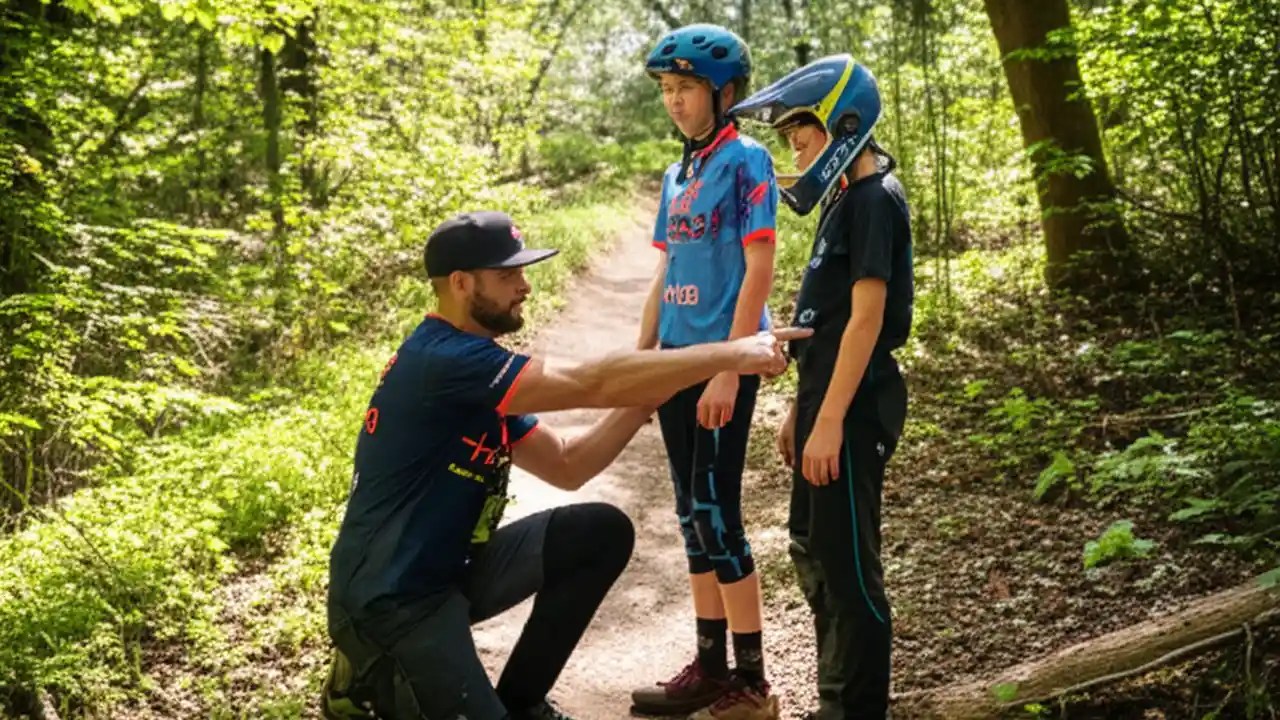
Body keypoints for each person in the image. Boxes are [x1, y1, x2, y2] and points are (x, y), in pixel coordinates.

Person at [319, 209, 807, 720]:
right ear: (460, 284)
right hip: (393, 600)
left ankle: (520, 703)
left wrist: (665, 384)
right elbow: (591, 382)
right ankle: (368, 676)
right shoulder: (446, 362)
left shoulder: (474, 368)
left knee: (597, 532)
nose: (525, 287)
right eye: (508, 276)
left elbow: (568, 465)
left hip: (446, 576)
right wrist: (728, 353)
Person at [730, 55, 914, 720]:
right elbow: (829, 322)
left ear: (844, 126)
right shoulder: (841, 201)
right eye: (789, 141)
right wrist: (799, 413)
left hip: (856, 408)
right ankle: (836, 702)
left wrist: (832, 419)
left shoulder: (873, 200)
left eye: (803, 137)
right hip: (822, 403)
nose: (796, 150)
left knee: (852, 573)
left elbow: (867, 320)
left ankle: (858, 710)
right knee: (814, 553)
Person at [629, 22, 782, 720]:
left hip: (722, 364)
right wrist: (641, 360)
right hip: (674, 364)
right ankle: (710, 665)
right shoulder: (677, 172)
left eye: (686, 87)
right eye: (666, 88)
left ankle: (753, 683)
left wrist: (729, 366)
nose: (674, 101)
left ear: (722, 92)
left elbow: (759, 265)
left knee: (719, 515)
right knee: (692, 516)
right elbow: (665, 269)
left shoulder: (746, 160)